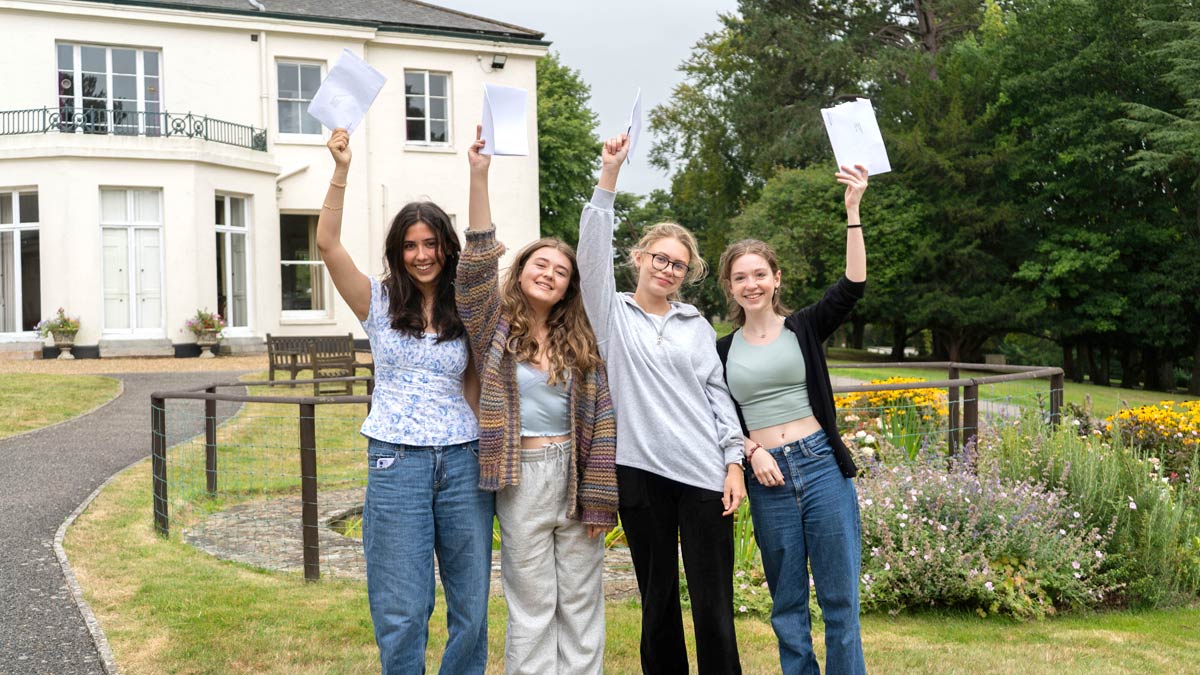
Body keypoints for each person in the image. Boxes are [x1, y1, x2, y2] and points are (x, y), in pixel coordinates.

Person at [317, 128, 494, 674]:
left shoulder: (467, 303)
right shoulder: (376, 300)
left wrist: (478, 174)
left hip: (464, 461)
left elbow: (484, 247)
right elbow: (327, 245)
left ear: (446, 246)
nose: (422, 255)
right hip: (397, 462)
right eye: (410, 245)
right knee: (402, 607)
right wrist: (342, 170)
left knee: (471, 604)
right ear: (398, 251)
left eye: (431, 243)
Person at [577, 133, 746, 675]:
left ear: (686, 273)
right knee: (658, 601)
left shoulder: (696, 325)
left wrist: (733, 460)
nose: (667, 269)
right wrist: (609, 176)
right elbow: (590, 256)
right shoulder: (610, 315)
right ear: (639, 258)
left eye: (678, 264)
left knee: (714, 602)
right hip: (640, 475)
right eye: (659, 258)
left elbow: (718, 396)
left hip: (702, 475)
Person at [455, 126, 618, 674]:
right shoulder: (492, 326)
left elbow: (602, 417)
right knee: (530, 606)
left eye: (561, 271)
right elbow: (476, 264)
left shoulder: (584, 336)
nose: (549, 274)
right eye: (540, 264)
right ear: (521, 270)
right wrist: (480, 174)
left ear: (570, 285)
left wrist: (599, 493)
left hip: (573, 469)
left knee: (579, 600)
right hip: (519, 474)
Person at [714, 164, 870, 675]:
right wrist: (750, 451)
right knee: (786, 605)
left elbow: (851, 285)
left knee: (840, 601)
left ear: (776, 279)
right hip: (768, 478)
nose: (752, 283)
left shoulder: (803, 327)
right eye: (741, 277)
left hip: (821, 466)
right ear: (730, 287)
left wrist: (853, 212)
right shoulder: (719, 350)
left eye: (760, 274)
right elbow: (709, 414)